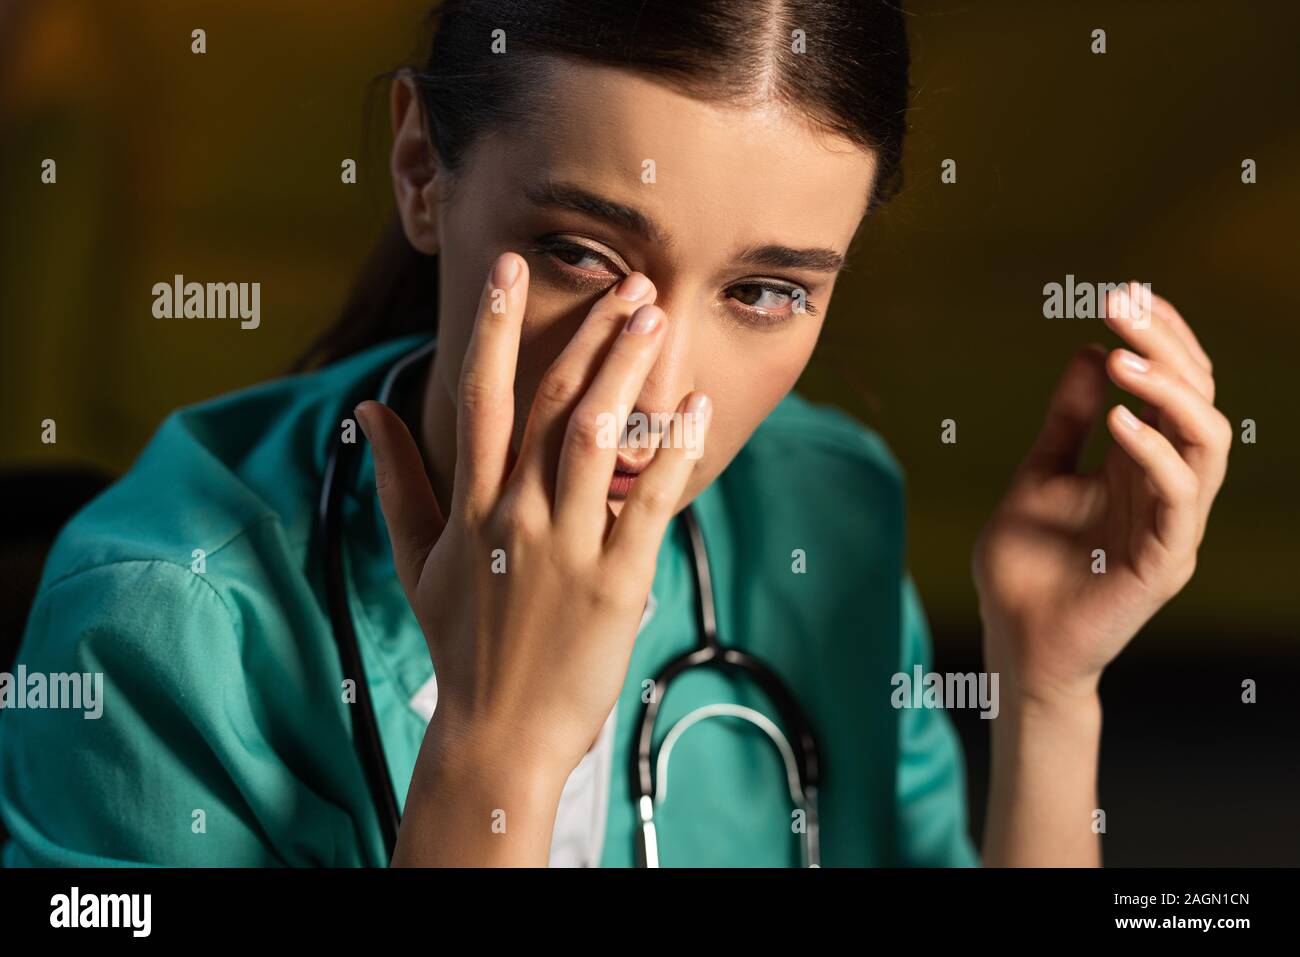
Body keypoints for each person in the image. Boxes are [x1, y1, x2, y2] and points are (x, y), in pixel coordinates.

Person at [0, 0, 1229, 867]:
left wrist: (1049, 685)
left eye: (765, 292)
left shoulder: (822, 511)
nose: (656, 393)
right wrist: (495, 749)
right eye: (581, 254)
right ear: (423, 168)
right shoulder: (153, 625)